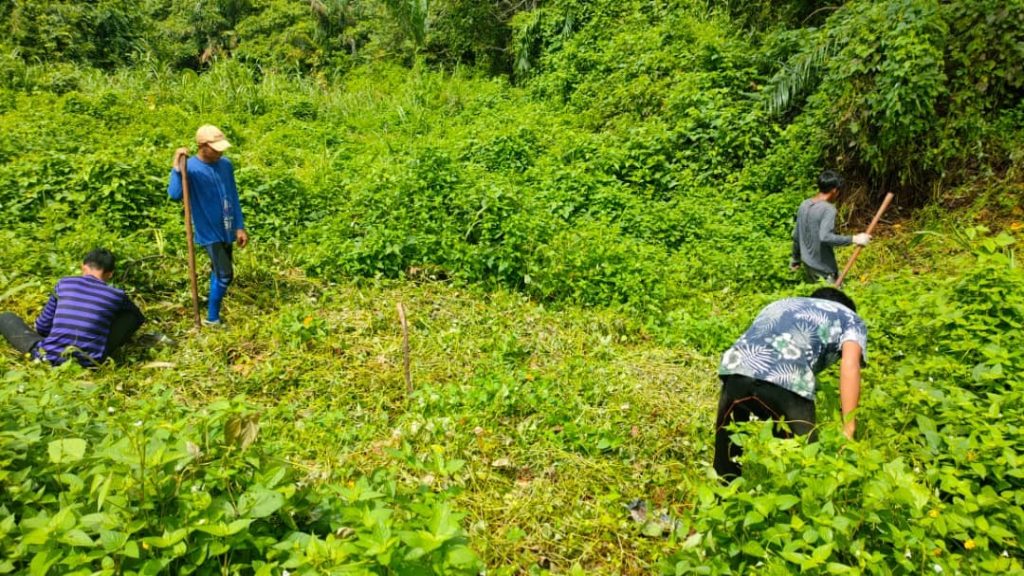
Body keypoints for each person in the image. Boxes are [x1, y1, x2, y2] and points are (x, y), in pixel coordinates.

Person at [713, 287, 867, 481]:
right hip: (786, 377)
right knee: (807, 459)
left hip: (735, 369)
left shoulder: (782, 303)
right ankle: (801, 501)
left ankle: (722, 497)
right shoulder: (850, 318)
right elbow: (850, 365)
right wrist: (849, 428)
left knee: (728, 449)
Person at [0, 249, 145, 367]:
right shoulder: (117, 295)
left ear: (83, 267)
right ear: (110, 274)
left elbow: (43, 326)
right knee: (130, 315)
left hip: (48, 357)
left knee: (6, 318)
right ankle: (97, 349)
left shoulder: (65, 283)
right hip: (91, 362)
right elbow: (137, 318)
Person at [167, 124, 248, 326]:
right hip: (208, 231)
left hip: (227, 226)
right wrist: (176, 167)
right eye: (215, 148)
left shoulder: (225, 165)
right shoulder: (190, 167)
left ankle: (212, 315)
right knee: (225, 275)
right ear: (202, 146)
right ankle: (212, 318)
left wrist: (239, 226)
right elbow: (175, 195)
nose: (220, 152)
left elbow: (233, 194)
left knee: (219, 271)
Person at [790, 170, 870, 283]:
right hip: (824, 271)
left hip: (808, 266)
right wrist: (854, 239)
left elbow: (796, 235)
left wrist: (795, 259)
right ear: (834, 190)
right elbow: (826, 237)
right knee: (835, 299)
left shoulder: (805, 204)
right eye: (838, 192)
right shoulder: (828, 209)